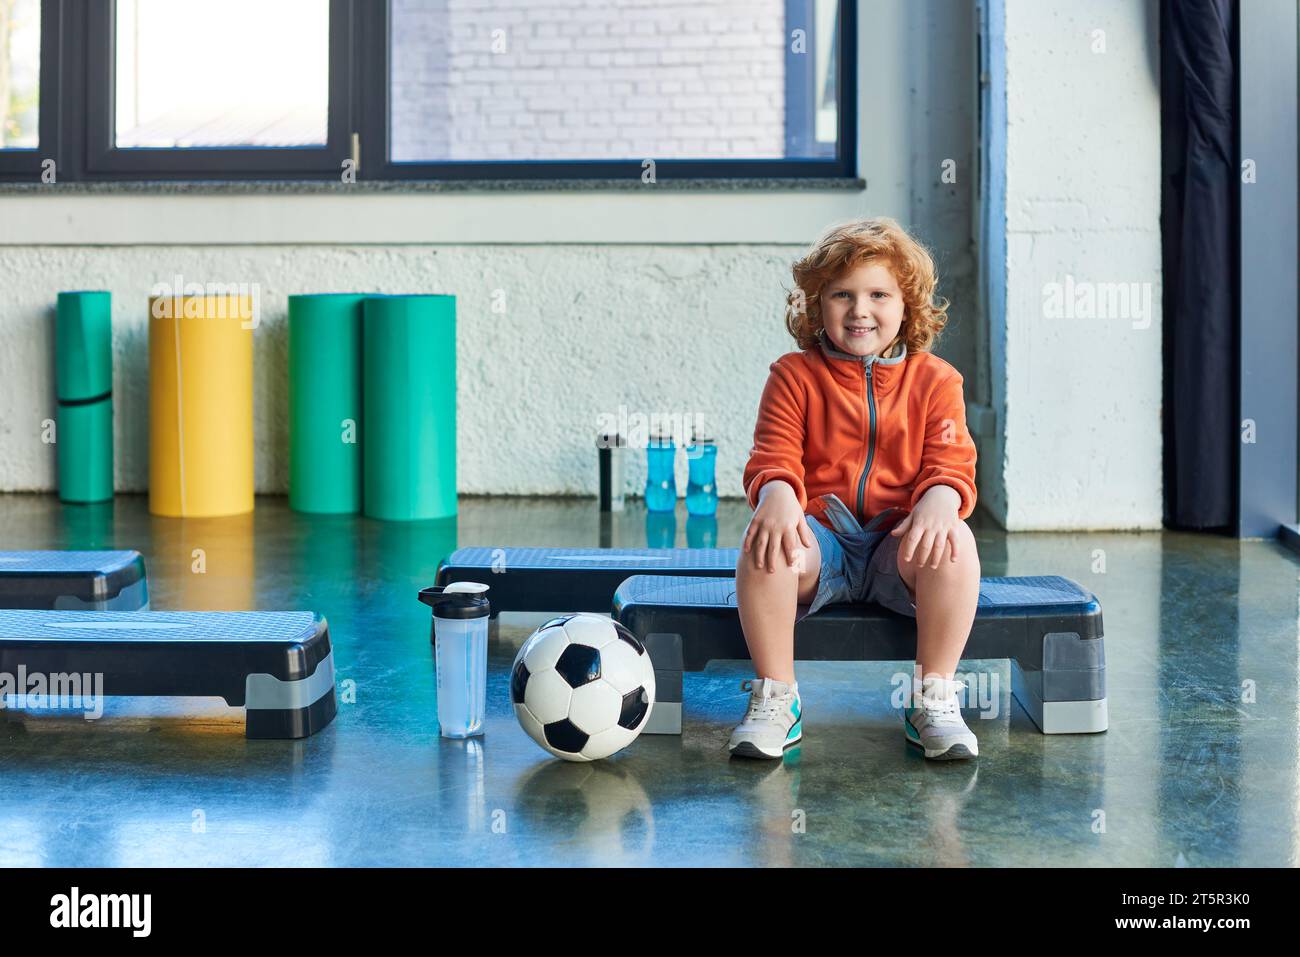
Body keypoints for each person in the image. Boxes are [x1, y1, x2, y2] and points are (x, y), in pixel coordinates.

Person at [731, 216, 981, 761]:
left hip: (901, 545)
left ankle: (933, 696)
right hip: (824, 542)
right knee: (765, 542)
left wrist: (940, 500)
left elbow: (952, 461)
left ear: (907, 305)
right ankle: (777, 698)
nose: (859, 309)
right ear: (817, 304)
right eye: (841, 294)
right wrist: (776, 493)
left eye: (878, 294)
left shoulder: (937, 381)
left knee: (956, 541)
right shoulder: (793, 375)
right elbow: (773, 455)